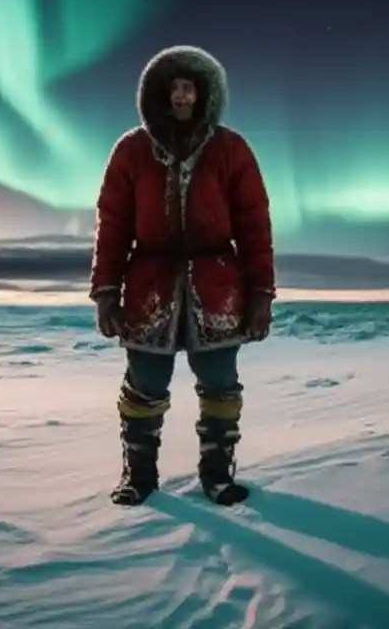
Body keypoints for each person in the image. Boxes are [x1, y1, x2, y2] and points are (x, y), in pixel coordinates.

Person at [89, 44, 275, 506]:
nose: (181, 97)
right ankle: (140, 476)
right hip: (149, 286)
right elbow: (112, 223)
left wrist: (261, 295)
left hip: (218, 287)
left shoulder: (232, 150)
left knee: (219, 384)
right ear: (158, 94)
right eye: (173, 88)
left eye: (190, 88)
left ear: (205, 93)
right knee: (144, 386)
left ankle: (217, 475)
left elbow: (255, 224)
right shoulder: (131, 151)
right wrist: (106, 293)